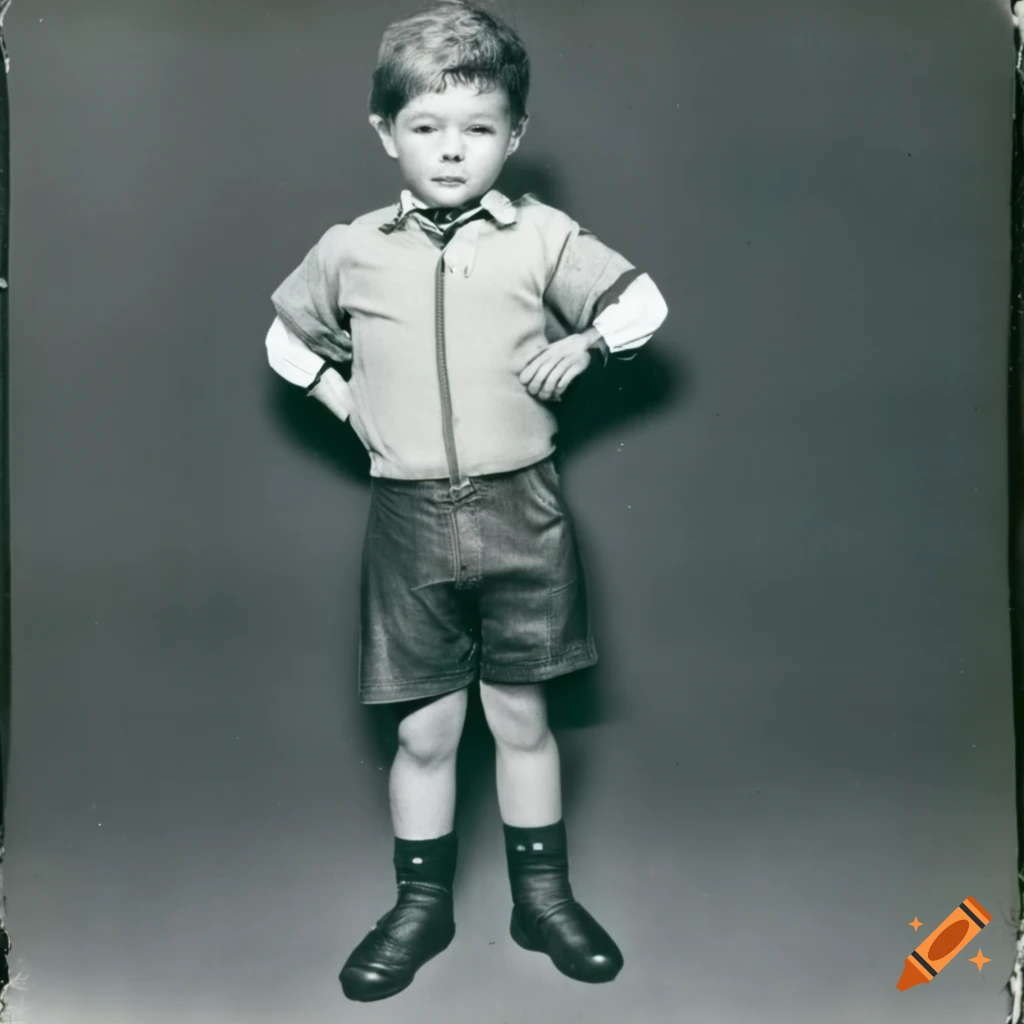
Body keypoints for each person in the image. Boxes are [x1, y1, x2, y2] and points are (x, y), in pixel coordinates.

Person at [265, 0, 668, 1003]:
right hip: (407, 519)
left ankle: (543, 900)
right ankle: (421, 905)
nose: (452, 151)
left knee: (522, 716)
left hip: (521, 507)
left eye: (478, 128)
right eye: (427, 127)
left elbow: (643, 304)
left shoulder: (542, 235)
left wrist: (588, 341)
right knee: (426, 732)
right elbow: (283, 342)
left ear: (513, 135)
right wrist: (341, 395)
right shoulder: (351, 247)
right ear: (385, 132)